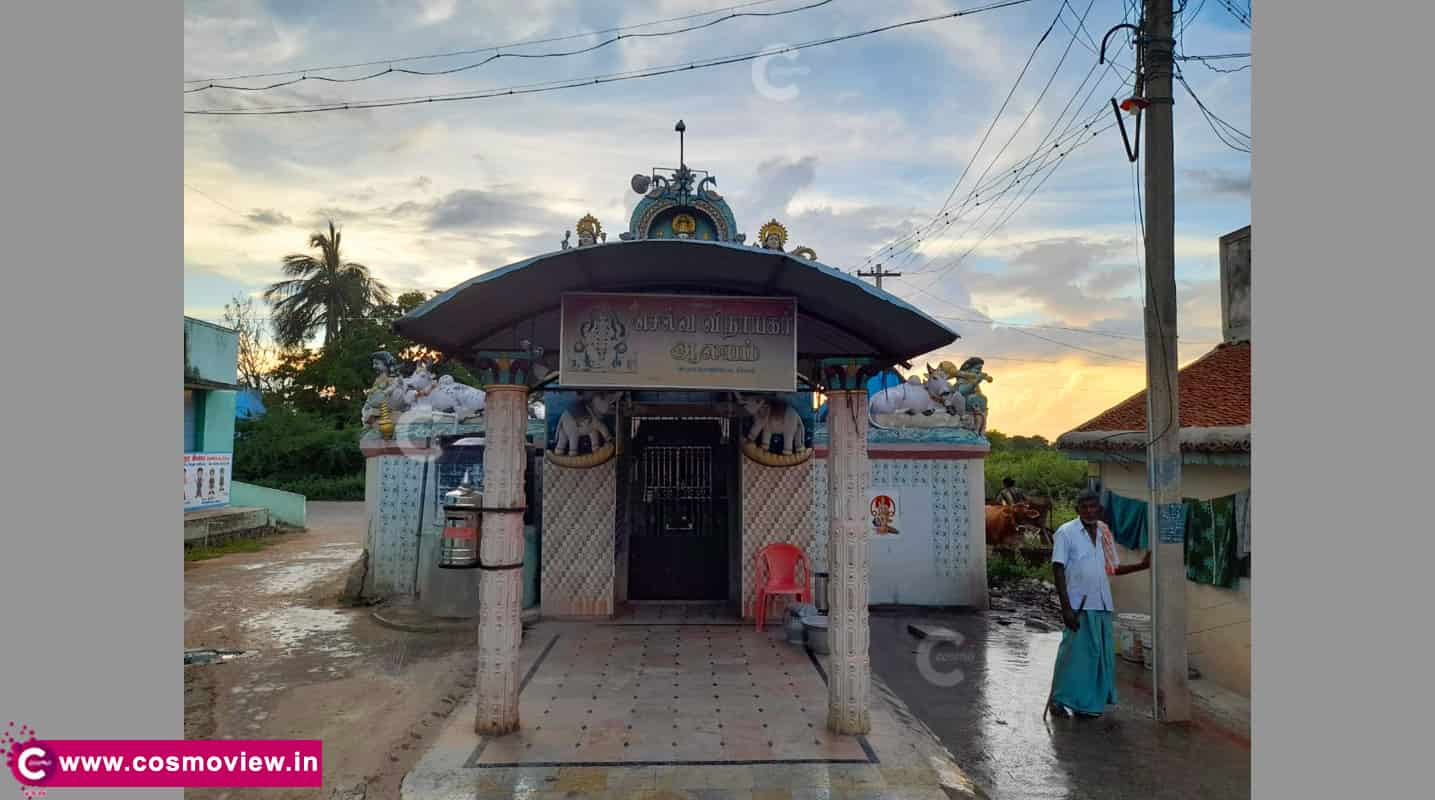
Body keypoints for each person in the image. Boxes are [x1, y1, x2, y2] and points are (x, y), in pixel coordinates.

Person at [1048, 489, 1151, 718]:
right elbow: (1058, 568)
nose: (1089, 510)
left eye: (1093, 506)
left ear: (1099, 509)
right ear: (1077, 510)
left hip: (1102, 603)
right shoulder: (1066, 533)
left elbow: (1112, 568)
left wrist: (1142, 566)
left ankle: (1087, 703)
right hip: (1079, 605)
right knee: (1073, 656)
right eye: (1084, 507)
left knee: (1097, 658)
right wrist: (1066, 608)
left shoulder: (1104, 532)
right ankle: (1059, 700)